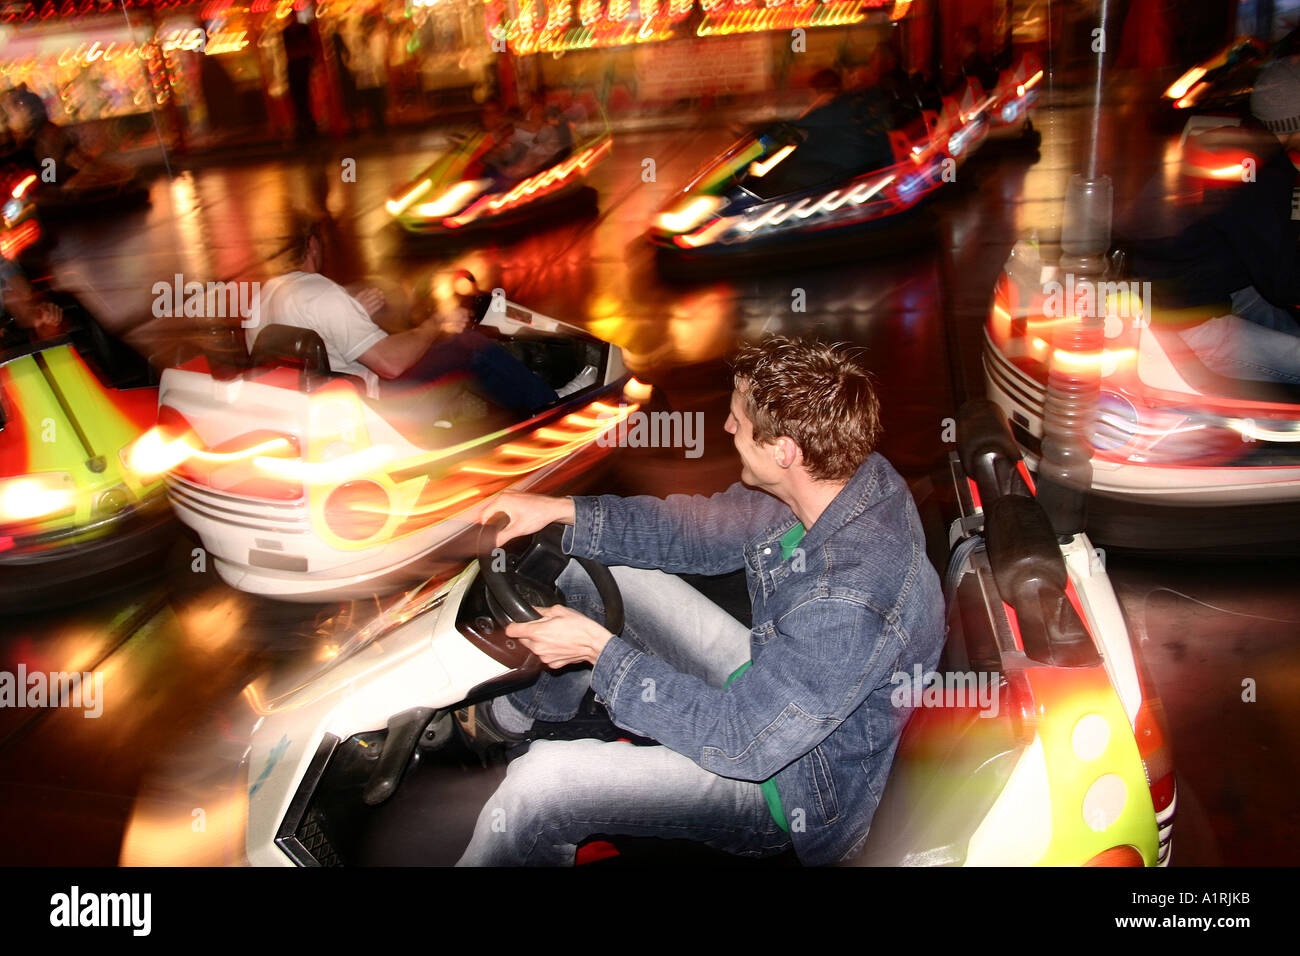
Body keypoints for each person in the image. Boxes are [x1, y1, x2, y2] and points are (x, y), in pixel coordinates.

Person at [454, 336, 946, 866]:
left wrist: (599, 652)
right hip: (776, 686)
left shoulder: (848, 602)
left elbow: (743, 741)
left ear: (784, 451)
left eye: (738, 420)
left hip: (786, 783)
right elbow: (696, 531)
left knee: (539, 787)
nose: (728, 428)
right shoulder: (843, 477)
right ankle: (515, 720)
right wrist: (559, 510)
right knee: (596, 575)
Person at [248, 220, 559, 415]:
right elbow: (391, 365)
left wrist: (355, 312)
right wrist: (437, 323)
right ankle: (550, 411)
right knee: (469, 345)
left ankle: (468, 418)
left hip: (310, 405)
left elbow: (317, 344)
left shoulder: (261, 299)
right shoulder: (323, 293)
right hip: (369, 404)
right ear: (312, 245)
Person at [1127, 56, 1300, 383]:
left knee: (1282, 321)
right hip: (1185, 323)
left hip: (1177, 286)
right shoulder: (1261, 172)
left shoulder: (1236, 139)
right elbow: (1283, 282)